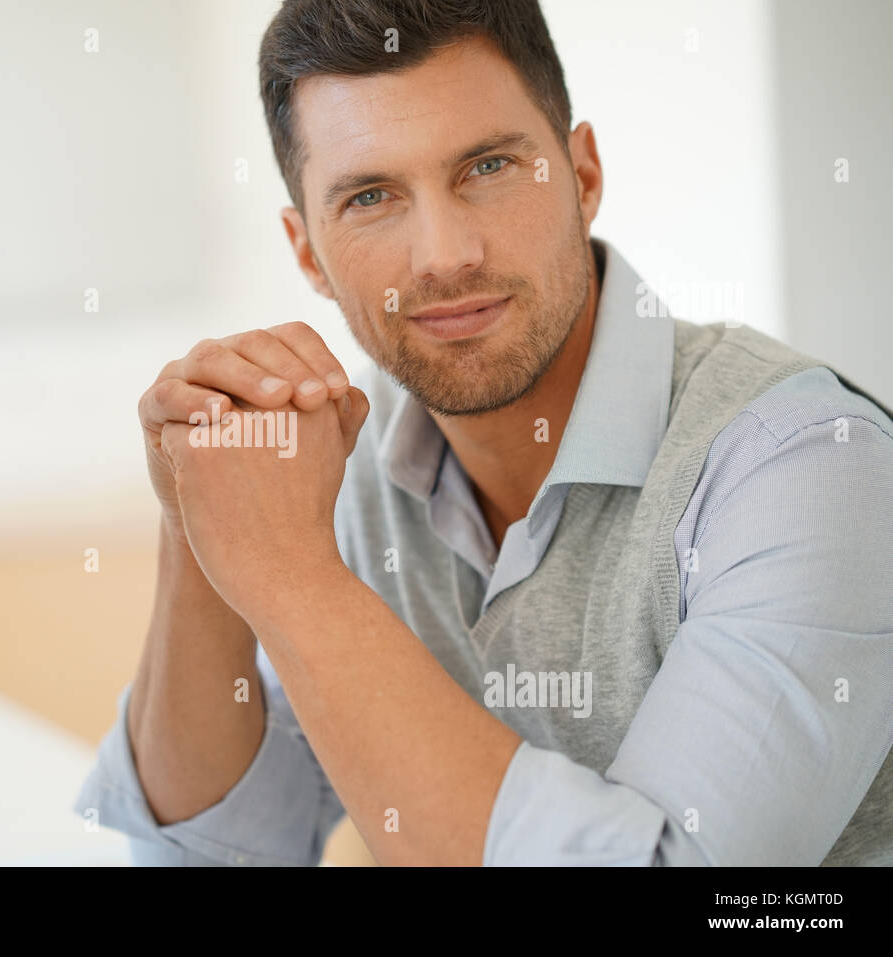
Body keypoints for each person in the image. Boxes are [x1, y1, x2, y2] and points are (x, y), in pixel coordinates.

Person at [74, 0, 893, 865]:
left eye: (489, 166)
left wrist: (297, 580)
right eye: (371, 196)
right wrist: (198, 522)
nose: (444, 254)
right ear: (308, 252)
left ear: (581, 176)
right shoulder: (339, 467)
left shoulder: (806, 466)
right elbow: (212, 853)